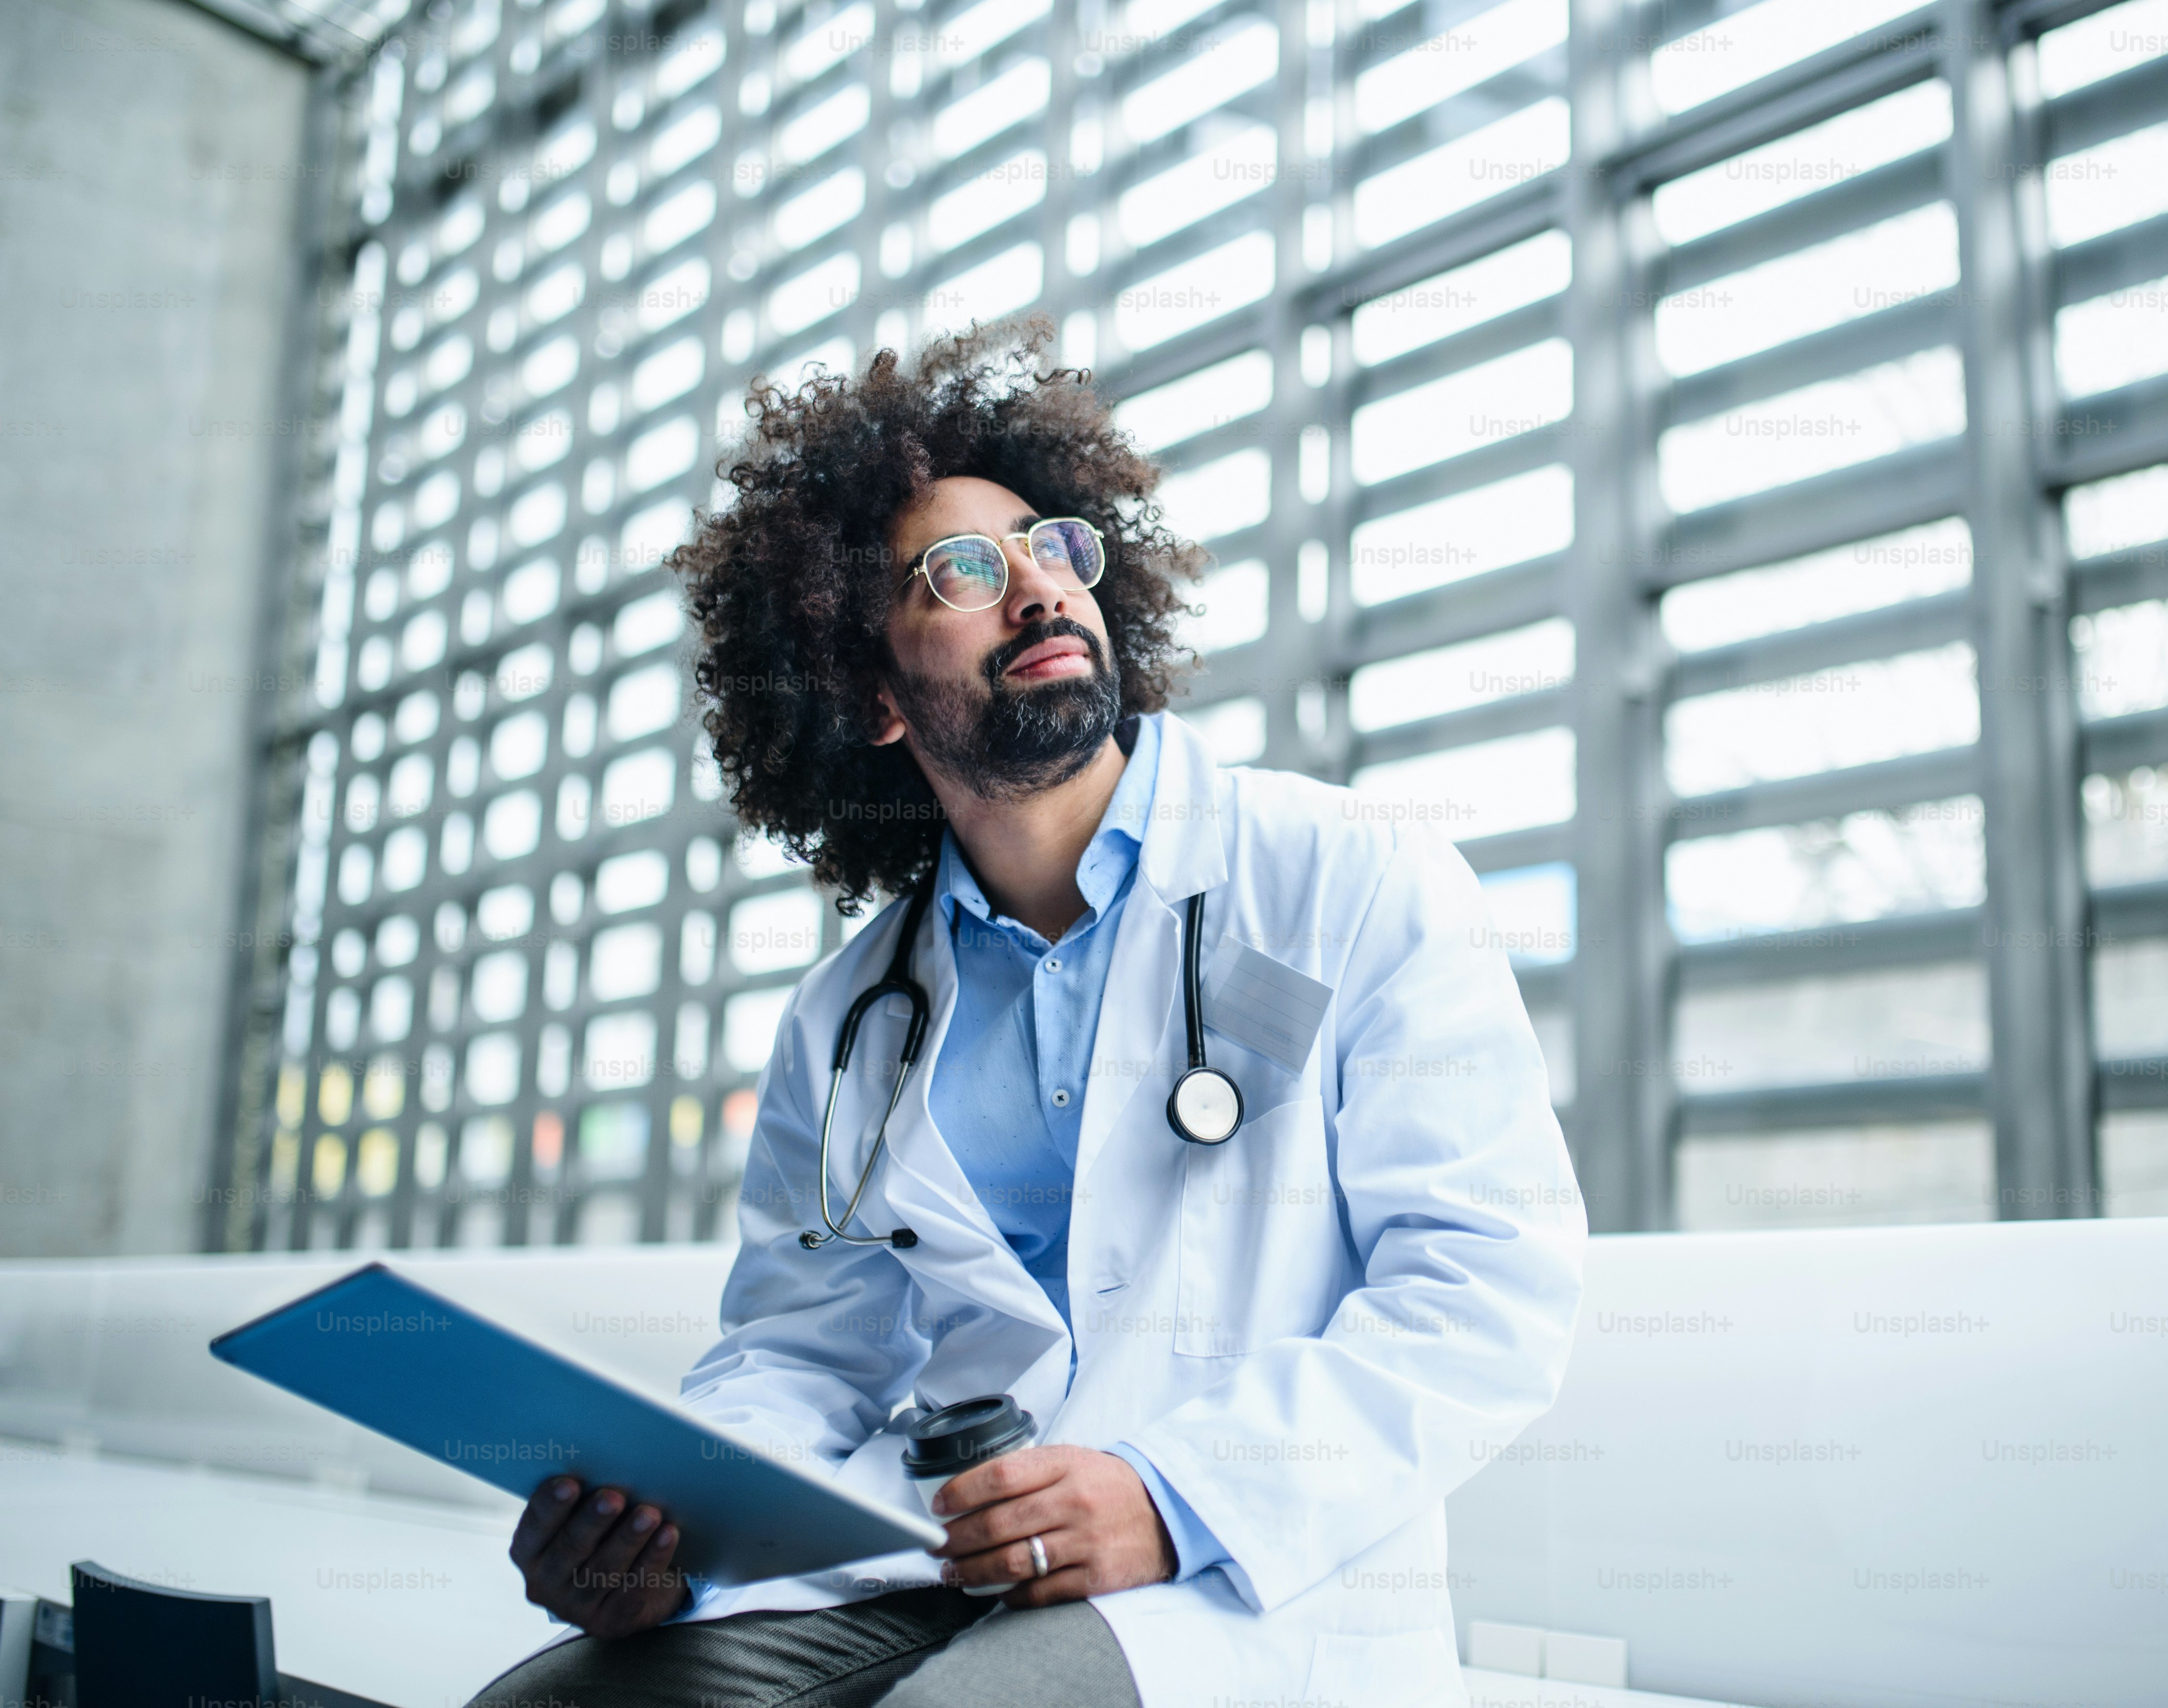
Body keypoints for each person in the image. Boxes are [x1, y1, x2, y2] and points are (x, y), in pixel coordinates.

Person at [468, 318, 1586, 1708]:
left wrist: (1170, 1497)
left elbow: (1486, 1287)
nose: (1038, 591)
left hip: (1232, 1574)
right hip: (929, 1557)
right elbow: (801, 1353)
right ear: (869, 693)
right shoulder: (849, 1016)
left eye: (1054, 549)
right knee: (556, 1705)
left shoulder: (1344, 877)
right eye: (964, 572)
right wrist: (676, 1542)